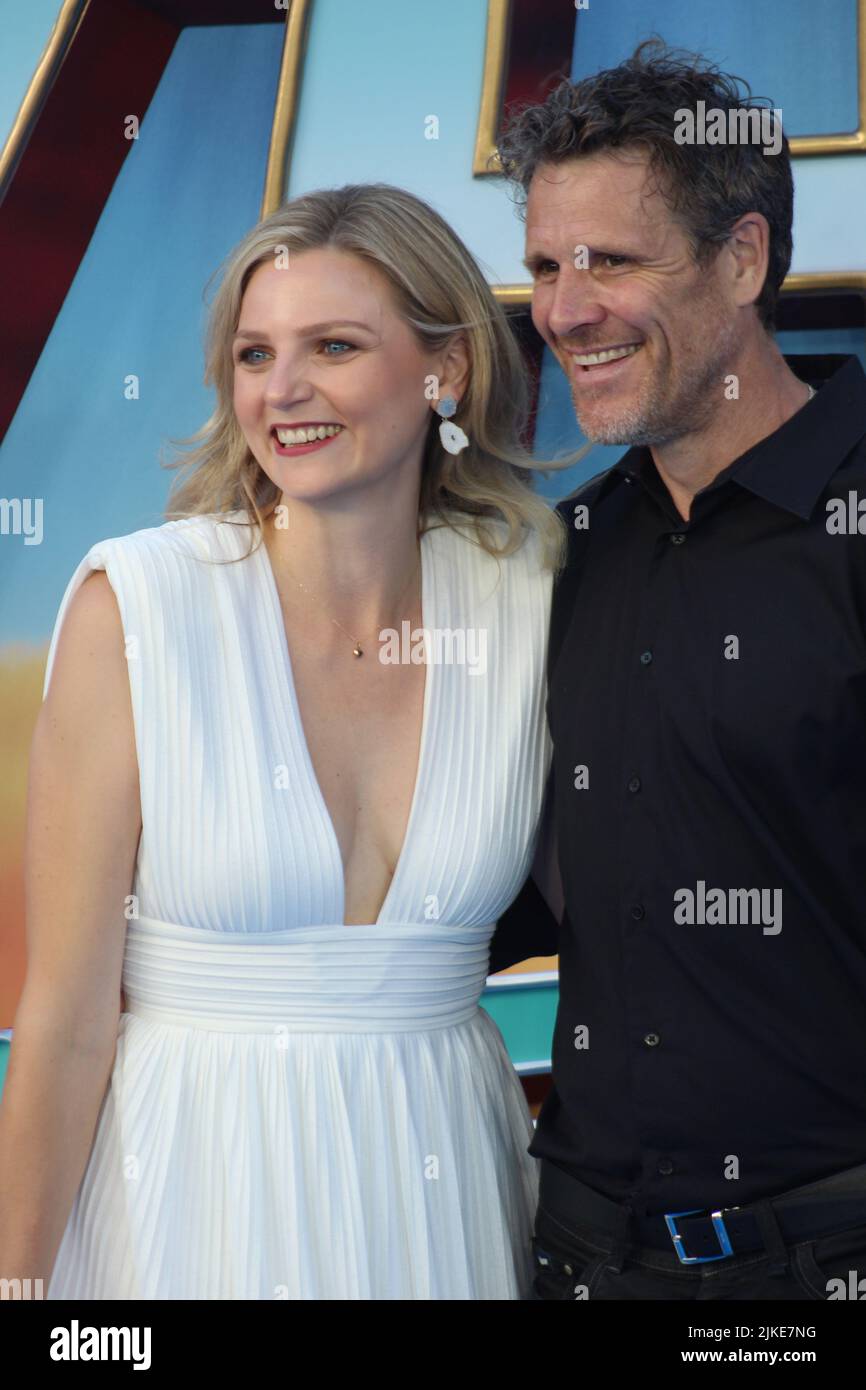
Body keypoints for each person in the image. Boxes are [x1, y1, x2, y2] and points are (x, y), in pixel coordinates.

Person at [0, 183, 566, 1300]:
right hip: (194, 1201)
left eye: (334, 345)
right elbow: (64, 1023)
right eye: (254, 354)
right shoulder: (143, 606)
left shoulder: (530, 596)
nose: (284, 390)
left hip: (444, 1190)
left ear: (443, 368)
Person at [495, 38, 866, 1300]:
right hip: (584, 1256)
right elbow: (510, 890)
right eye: (547, 265)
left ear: (744, 258)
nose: (563, 308)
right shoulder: (570, 556)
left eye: (611, 260)